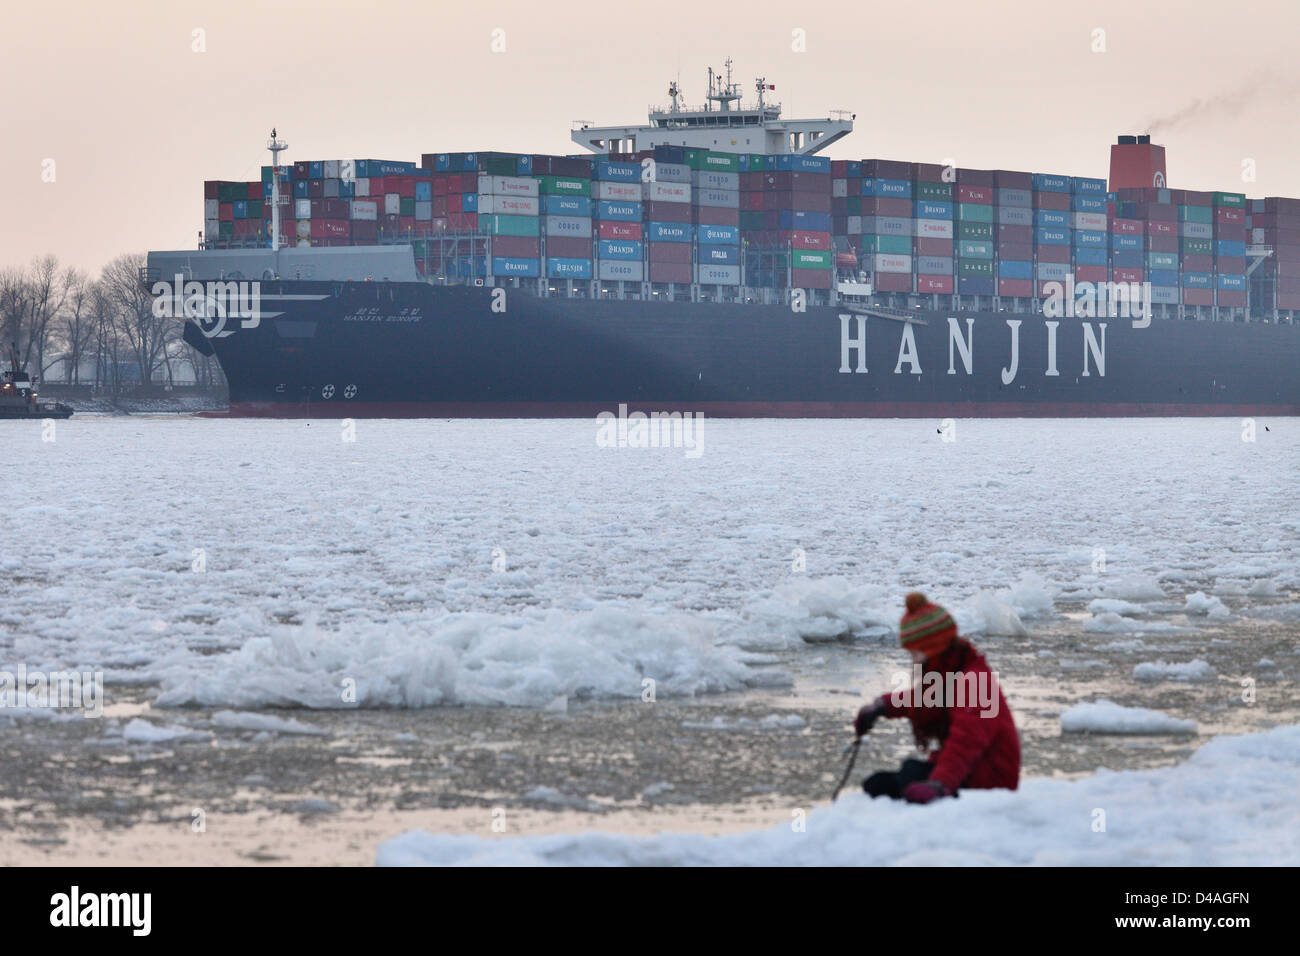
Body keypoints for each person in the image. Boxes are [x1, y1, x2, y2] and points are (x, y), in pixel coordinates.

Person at [854, 592, 1020, 804]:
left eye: (916, 653)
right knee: (878, 784)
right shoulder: (952, 673)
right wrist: (882, 706)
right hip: (969, 774)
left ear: (933, 648)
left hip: (988, 783)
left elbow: (966, 742)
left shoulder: (975, 682)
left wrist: (941, 783)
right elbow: (924, 699)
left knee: (910, 772)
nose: (913, 660)